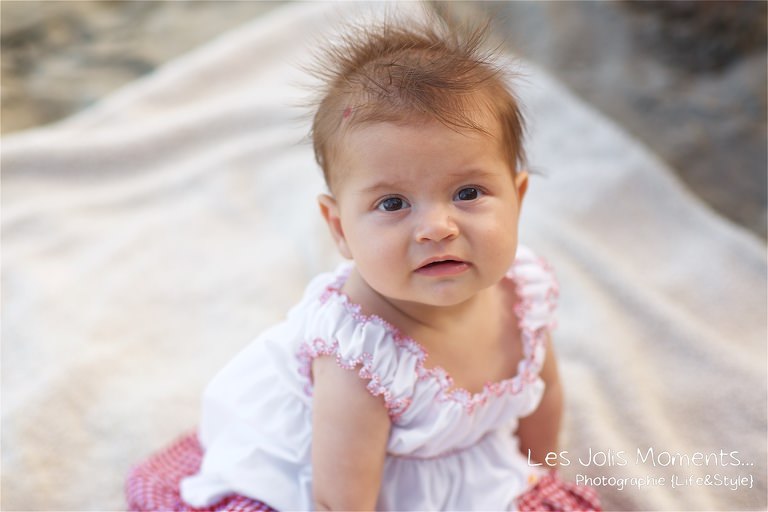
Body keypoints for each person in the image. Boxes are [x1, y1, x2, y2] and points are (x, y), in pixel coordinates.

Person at [126, 8, 601, 512]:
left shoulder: (523, 293)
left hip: (459, 472)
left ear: (518, 197)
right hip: (344, 484)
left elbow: (545, 394)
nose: (437, 227)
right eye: (392, 204)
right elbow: (341, 499)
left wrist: (536, 477)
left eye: (468, 192)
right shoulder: (361, 359)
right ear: (340, 229)